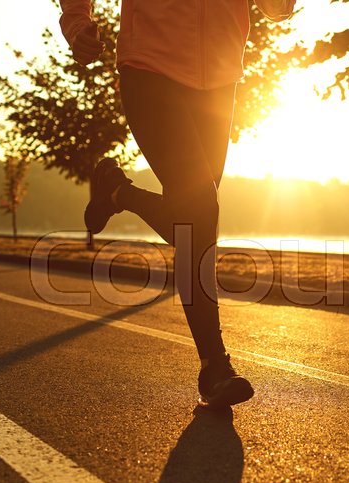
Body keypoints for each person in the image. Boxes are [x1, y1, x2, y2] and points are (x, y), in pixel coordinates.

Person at [59, 0, 295, 408]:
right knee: (200, 213)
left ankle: (118, 191)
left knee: (196, 224)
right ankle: (215, 367)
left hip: (221, 77)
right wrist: (77, 21)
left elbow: (277, 9)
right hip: (151, 67)